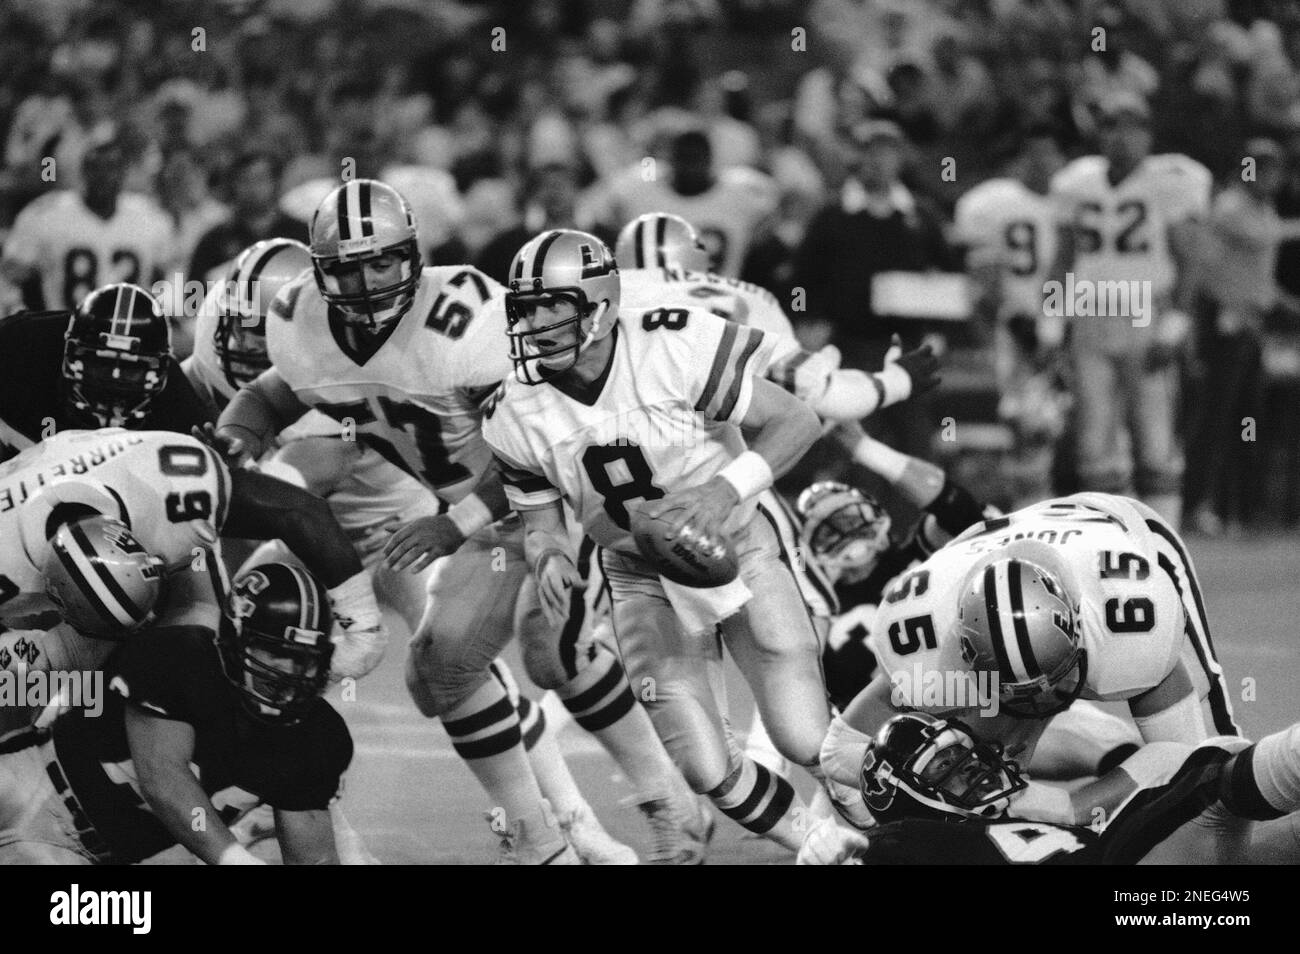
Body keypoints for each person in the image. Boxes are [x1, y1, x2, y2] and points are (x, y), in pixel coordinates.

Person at [215, 180, 686, 862]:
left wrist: (455, 521)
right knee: (445, 668)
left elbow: (538, 434)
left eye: (382, 261)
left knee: (550, 657)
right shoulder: (304, 323)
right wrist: (241, 433)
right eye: (348, 266)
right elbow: (274, 392)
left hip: (547, 491)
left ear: (412, 253)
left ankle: (661, 800)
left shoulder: (464, 317)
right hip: (479, 516)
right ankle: (546, 837)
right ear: (320, 273)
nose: (369, 280)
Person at [481, 228, 862, 860]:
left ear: (600, 307)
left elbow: (796, 420)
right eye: (527, 307)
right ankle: (822, 844)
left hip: (736, 543)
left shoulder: (670, 343)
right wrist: (546, 552)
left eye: (555, 305)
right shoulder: (513, 409)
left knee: (807, 738)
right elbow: (539, 516)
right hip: (636, 571)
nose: (537, 322)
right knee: (703, 765)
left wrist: (721, 492)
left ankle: (917, 813)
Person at [819, 492, 1240, 793]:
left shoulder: (1128, 613)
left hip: (1110, 524)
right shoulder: (928, 642)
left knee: (1212, 761)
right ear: (965, 653)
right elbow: (838, 750)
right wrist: (919, 782)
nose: (1042, 706)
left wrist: (1074, 808)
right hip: (973, 555)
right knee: (982, 771)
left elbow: (1180, 758)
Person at [0, 560, 352, 865]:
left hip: (83, 852)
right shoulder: (181, 658)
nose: (290, 672)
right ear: (236, 639)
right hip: (23, 788)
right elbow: (162, 779)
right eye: (276, 652)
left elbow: (313, 856)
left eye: (306, 659)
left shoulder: (318, 737)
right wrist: (235, 859)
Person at [806, 711, 1299, 865]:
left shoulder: (1015, 812)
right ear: (904, 796)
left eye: (967, 755)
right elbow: (877, 852)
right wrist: (842, 850)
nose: (975, 770)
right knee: (1211, 781)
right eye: (947, 768)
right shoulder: (910, 838)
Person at [1048, 91, 1211, 527]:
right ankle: (1108, 543)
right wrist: (1051, 324)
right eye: (1111, 127)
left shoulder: (1170, 182)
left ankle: (1165, 543)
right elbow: (1062, 260)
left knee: (1155, 436)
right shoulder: (1076, 183)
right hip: (1089, 312)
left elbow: (1190, 260)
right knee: (1095, 442)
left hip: (1145, 311)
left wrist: (1174, 328)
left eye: (1131, 128)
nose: (1120, 138)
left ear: (1147, 136)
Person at [953, 124, 1071, 507]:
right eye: (1033, 154)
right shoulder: (996, 203)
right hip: (1016, 322)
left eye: (1048, 153)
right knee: (1024, 416)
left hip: (1074, 318)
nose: (1041, 163)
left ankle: (1060, 497)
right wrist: (1003, 322)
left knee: (1062, 417)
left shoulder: (1072, 201)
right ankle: (1030, 499)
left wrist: (1053, 325)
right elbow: (984, 278)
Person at [0, 283, 210, 460]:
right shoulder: (24, 342)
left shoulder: (174, 392)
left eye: (130, 371)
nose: (114, 380)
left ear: (160, 371)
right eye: (100, 366)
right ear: (68, 352)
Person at [1, 134, 173, 312]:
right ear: (83, 171)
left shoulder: (151, 217)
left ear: (123, 173)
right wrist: (18, 316)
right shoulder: (45, 213)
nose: (103, 176)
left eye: (111, 168)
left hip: (130, 331)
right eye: (95, 168)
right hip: (61, 330)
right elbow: (11, 275)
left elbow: (169, 278)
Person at [591, 130, 778, 277]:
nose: (691, 166)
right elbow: (597, 216)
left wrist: (754, 239)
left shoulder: (740, 190)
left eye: (696, 159)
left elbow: (781, 211)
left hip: (720, 300)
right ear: (672, 160)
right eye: (685, 158)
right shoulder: (640, 186)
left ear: (710, 160)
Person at [187, 150, 302, 285]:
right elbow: (195, 293)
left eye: (260, 179)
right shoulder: (215, 241)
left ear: (275, 183)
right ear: (233, 185)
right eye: (245, 180)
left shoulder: (298, 234)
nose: (252, 188)